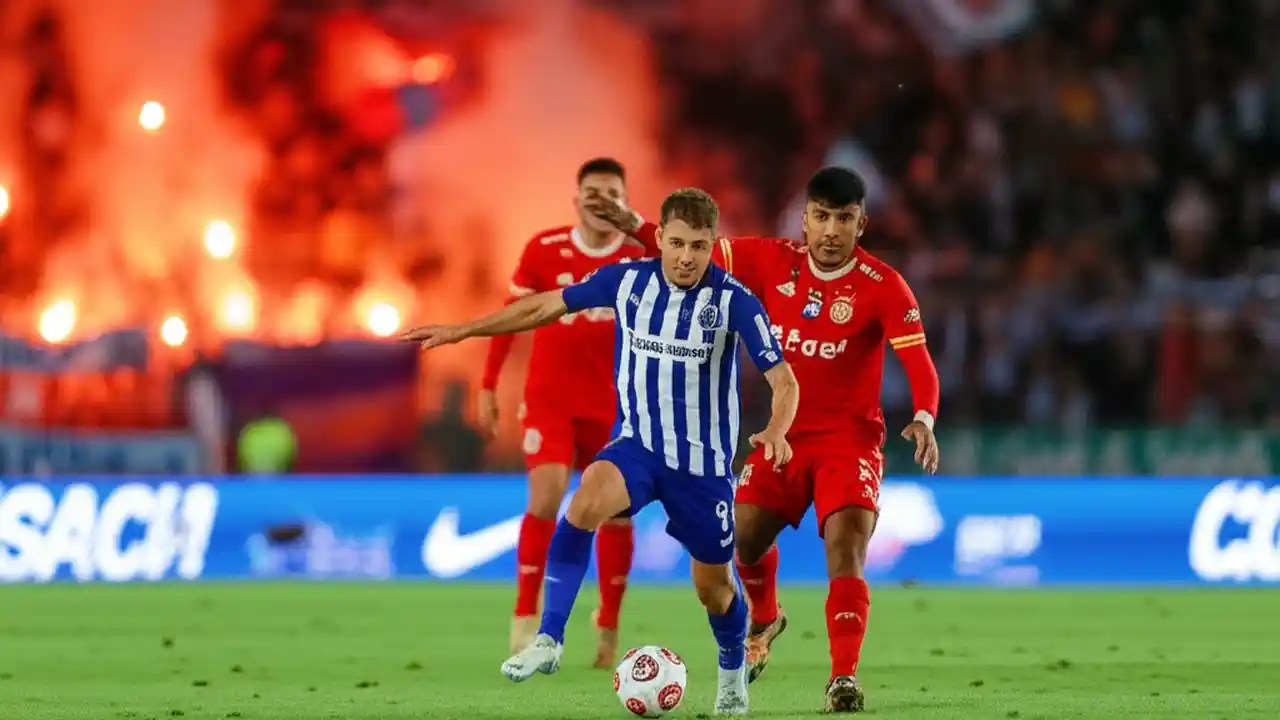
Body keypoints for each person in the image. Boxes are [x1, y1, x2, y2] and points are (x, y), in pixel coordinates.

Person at [401, 188, 799, 716]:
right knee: (584, 502)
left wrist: (776, 429)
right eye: (676, 243)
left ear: (712, 245)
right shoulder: (629, 281)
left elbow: (784, 380)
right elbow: (545, 305)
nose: (685, 257)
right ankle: (549, 638)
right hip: (638, 448)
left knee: (714, 588)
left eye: (699, 247)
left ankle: (731, 673)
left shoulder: (734, 301)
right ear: (659, 239)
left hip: (702, 467)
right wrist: (463, 330)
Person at [588, 167, 941, 713]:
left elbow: (918, 362)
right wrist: (634, 223)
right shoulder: (769, 261)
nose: (830, 230)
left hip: (848, 442)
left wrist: (924, 415)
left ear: (861, 224)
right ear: (804, 219)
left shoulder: (883, 285)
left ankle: (842, 679)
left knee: (845, 547)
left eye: (843, 219)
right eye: (820, 216)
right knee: (743, 542)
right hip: (781, 437)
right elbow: (689, 247)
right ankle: (766, 618)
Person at [481, 157, 647, 666]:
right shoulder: (544, 249)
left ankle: (608, 625)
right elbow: (513, 316)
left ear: (624, 201)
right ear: (576, 201)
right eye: (593, 193)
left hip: (615, 409)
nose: (602, 201)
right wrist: (489, 384)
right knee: (547, 497)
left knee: (614, 514)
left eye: (612, 193)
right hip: (551, 402)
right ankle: (526, 617)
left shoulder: (642, 258)